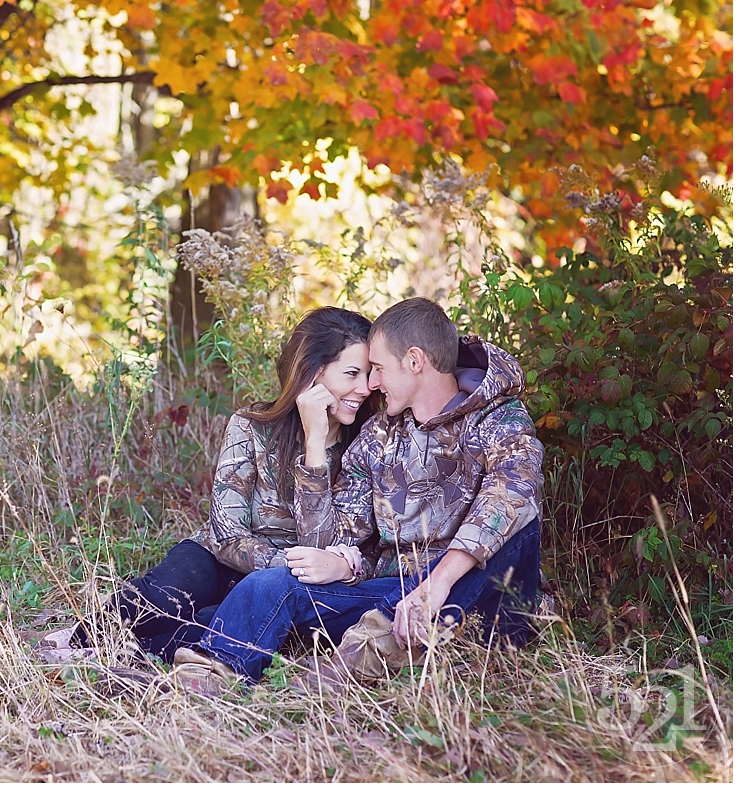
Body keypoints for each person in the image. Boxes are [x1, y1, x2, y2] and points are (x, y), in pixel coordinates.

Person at [171, 297, 545, 694]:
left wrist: (434, 585)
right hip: (389, 595)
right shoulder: (378, 437)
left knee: (519, 523)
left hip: (473, 597)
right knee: (268, 586)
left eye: (378, 368)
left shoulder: (498, 418)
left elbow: (511, 492)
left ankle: (350, 665)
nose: (372, 385)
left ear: (414, 361)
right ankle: (209, 676)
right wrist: (315, 451)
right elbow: (331, 542)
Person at [36, 307, 378, 664]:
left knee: (213, 625)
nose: (364, 387)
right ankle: (80, 639)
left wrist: (315, 447)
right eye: (352, 373)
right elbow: (227, 536)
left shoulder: (366, 447)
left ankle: (114, 656)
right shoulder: (251, 427)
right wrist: (300, 566)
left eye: (369, 374)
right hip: (220, 560)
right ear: (313, 372)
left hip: (278, 590)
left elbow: (325, 546)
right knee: (168, 596)